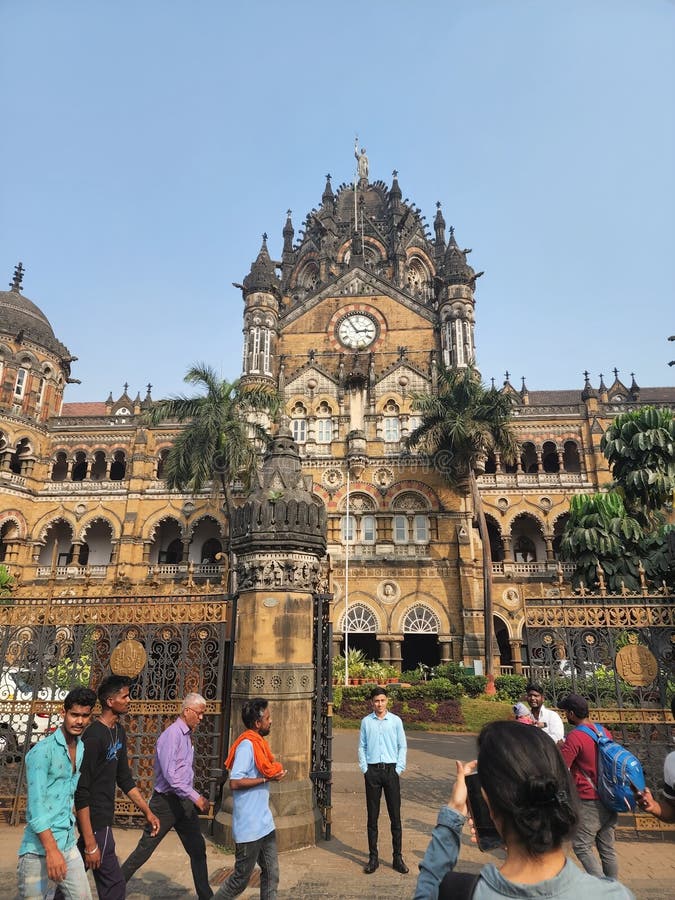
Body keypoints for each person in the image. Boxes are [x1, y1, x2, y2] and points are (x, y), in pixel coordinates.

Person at [413, 720, 634, 899]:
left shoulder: (456, 892)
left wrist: (453, 812)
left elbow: (428, 888)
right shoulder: (615, 895)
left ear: (487, 801)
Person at [54, 675, 160, 900]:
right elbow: (81, 790)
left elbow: (125, 779)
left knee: (70, 882)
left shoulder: (118, 731)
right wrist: (90, 841)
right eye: (125, 696)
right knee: (114, 886)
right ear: (110, 701)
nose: (129, 700)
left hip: (102, 819)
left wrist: (147, 811)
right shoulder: (93, 737)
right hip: (95, 819)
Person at [121, 693, 213, 900]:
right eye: (199, 713)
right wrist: (196, 797)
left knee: (197, 850)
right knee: (144, 850)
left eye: (203, 714)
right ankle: (112, 889)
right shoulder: (172, 735)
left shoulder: (187, 736)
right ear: (187, 711)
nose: (201, 718)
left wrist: (190, 797)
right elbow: (171, 776)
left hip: (183, 803)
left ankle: (206, 896)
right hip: (165, 804)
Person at [17, 685, 97, 900]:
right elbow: (36, 810)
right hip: (38, 850)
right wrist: (51, 851)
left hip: (68, 843)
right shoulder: (42, 752)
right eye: (74, 715)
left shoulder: (80, 747)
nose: (79, 721)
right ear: (63, 713)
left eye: (84, 716)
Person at [213, 698, 287, 899]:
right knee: (239, 881)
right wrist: (266, 778)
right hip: (249, 827)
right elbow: (235, 782)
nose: (270, 721)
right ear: (257, 723)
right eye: (267, 718)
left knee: (271, 873)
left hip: (264, 823)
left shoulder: (259, 744)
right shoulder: (247, 745)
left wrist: (270, 776)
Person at [559, 693, 619, 879]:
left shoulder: (575, 736)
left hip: (589, 799)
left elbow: (562, 766)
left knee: (581, 845)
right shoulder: (603, 731)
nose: (565, 716)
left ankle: (601, 887)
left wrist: (561, 748)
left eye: (566, 712)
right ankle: (613, 886)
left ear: (571, 713)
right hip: (610, 796)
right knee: (607, 848)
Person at [358, 686, 408, 875]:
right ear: (372, 703)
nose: (379, 704)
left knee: (395, 816)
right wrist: (365, 769)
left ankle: (397, 857)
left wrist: (398, 769)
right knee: (372, 817)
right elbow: (362, 746)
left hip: (391, 771)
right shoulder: (366, 722)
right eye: (376, 701)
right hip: (372, 772)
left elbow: (402, 746)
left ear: (387, 701)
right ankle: (373, 858)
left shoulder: (395, 721)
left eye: (382, 700)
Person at [635, 696, 675, 823]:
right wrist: (653, 806)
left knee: (662, 738)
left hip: (655, 703)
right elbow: (672, 811)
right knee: (645, 737)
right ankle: (639, 764)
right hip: (649, 702)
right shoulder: (672, 761)